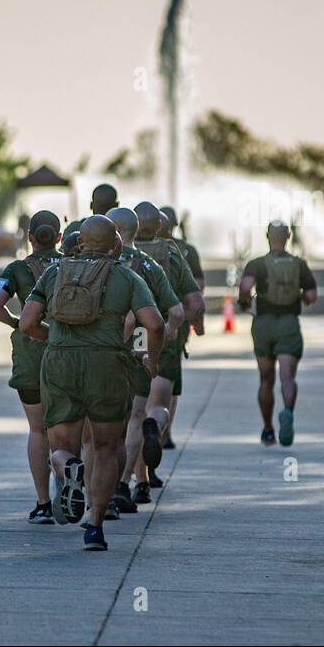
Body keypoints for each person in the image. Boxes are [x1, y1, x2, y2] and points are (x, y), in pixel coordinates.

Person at [20, 215, 163, 551]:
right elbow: (154, 324)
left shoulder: (55, 273)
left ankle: (68, 467)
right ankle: (95, 526)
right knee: (106, 448)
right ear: (115, 244)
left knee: (61, 446)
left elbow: (26, 323)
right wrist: (151, 360)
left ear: (80, 242)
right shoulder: (126, 277)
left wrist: (52, 338)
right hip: (107, 365)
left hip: (60, 364)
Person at [0, 210, 63, 524]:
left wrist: (17, 323)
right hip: (68, 353)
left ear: (29, 237)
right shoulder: (71, 266)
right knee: (70, 427)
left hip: (31, 357)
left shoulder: (16, 269)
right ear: (59, 237)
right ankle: (75, 484)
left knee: (38, 428)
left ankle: (43, 503)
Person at [107, 206, 183, 508]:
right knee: (138, 417)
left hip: (103, 352)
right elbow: (178, 311)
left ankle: (98, 494)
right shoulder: (150, 265)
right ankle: (124, 485)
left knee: (103, 427)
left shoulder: (96, 266)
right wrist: (167, 334)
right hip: (142, 350)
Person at [133, 201, 204, 495]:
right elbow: (195, 302)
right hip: (164, 336)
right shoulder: (174, 253)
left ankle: (138, 481)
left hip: (131, 338)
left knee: (132, 414)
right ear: (161, 226)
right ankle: (157, 427)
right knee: (157, 406)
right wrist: (186, 328)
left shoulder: (120, 253)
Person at [238, 221, 317, 446]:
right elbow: (311, 296)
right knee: (288, 377)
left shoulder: (258, 264)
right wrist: (298, 299)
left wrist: (244, 303)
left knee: (265, 380)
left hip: (263, 325)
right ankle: (288, 412)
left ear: (267, 236)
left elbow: (245, 286)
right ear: (288, 236)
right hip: (289, 324)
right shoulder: (299, 264)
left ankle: (268, 429)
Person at [158, 205, 205, 451]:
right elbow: (197, 288)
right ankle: (163, 430)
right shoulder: (183, 251)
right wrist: (196, 320)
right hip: (173, 323)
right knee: (169, 378)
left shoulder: (127, 249)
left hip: (134, 327)